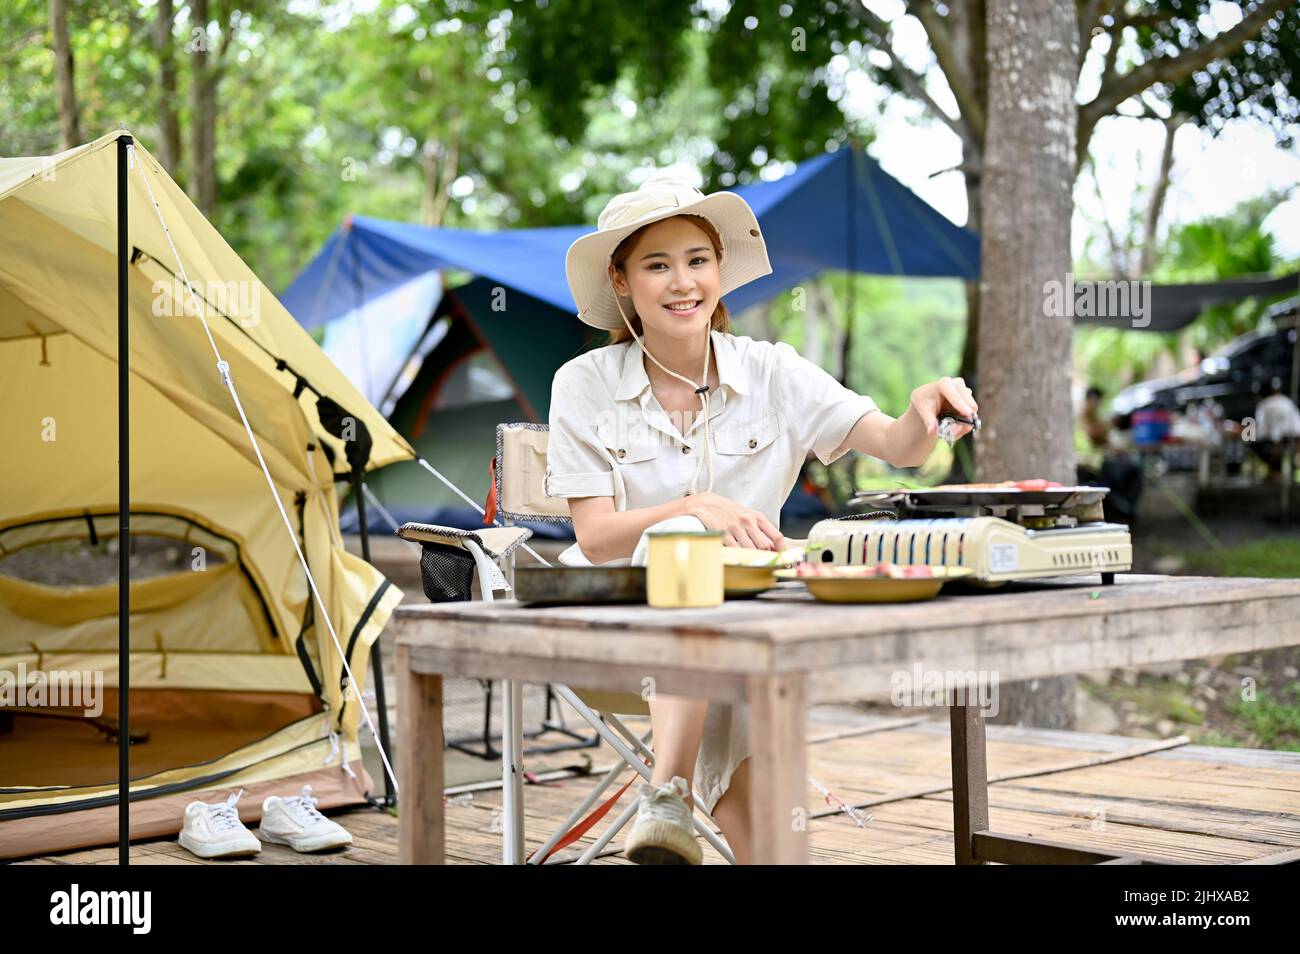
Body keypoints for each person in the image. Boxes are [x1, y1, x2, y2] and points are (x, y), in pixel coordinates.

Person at [544, 172, 977, 864]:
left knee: (737, 692)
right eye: (658, 265)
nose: (683, 282)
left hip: (740, 628)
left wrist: (924, 408)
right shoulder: (584, 383)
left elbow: (898, 445)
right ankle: (670, 794)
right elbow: (594, 539)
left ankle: (668, 802)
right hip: (617, 628)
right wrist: (692, 508)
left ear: (719, 270)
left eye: (698, 260)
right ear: (622, 281)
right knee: (691, 554)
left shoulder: (774, 371)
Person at [1252, 379, 1300, 477]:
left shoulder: (1264, 404)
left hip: (1282, 441)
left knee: (1255, 445)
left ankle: (1275, 472)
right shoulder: (1286, 400)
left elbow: (1261, 432)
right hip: (1296, 438)